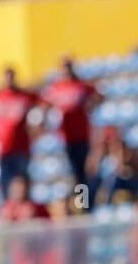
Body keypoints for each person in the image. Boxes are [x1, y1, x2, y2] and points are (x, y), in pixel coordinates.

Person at [41, 57, 101, 193]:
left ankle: (83, 204)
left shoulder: (81, 86)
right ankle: (76, 204)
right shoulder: (56, 88)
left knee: (82, 173)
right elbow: (44, 106)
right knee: (70, 173)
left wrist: (91, 104)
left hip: (82, 136)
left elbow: (98, 97)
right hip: (64, 138)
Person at [0, 67, 43, 200]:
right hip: (4, 149)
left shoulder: (24, 96)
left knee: (23, 181)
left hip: (21, 147)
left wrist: (36, 129)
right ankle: (10, 209)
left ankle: (25, 209)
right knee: (6, 182)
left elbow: (43, 104)